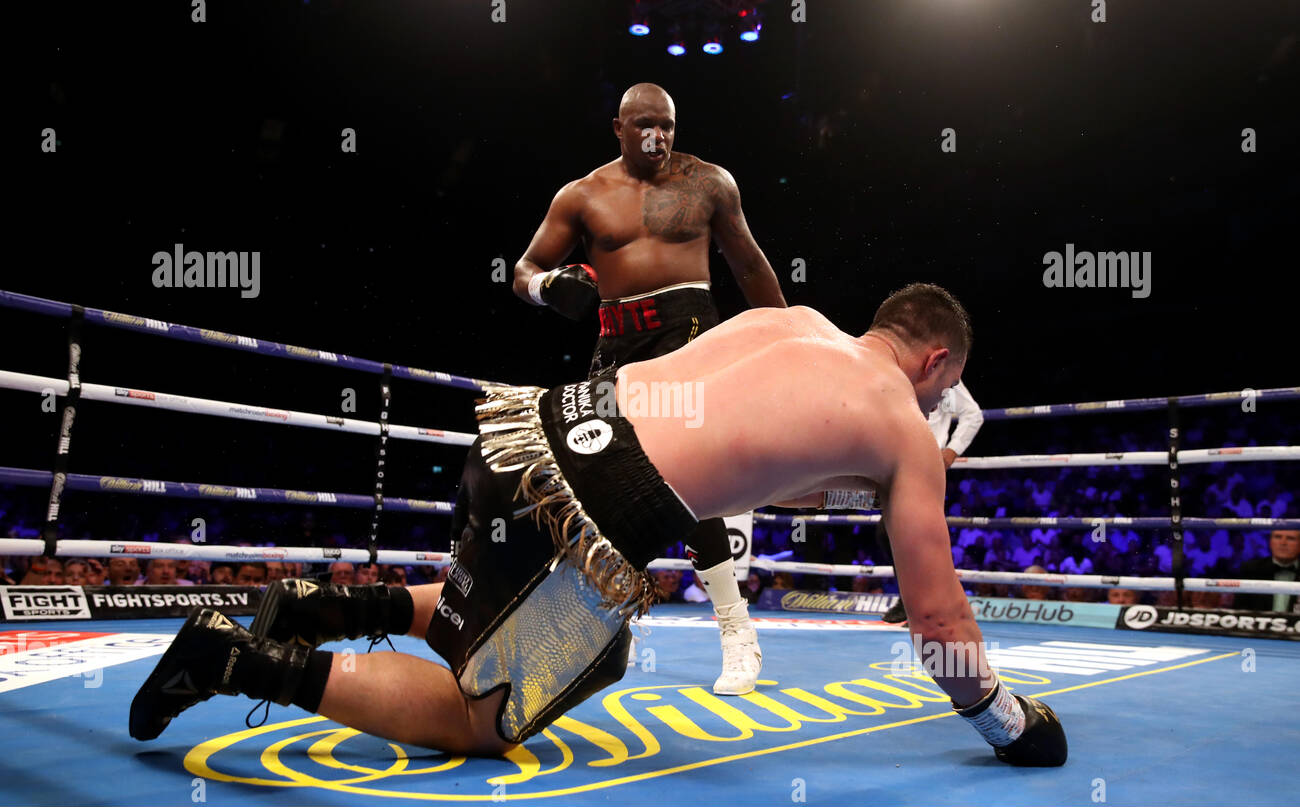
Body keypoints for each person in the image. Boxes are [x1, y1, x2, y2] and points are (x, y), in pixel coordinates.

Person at [132, 284, 1066, 767]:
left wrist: (884, 481)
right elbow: (939, 626)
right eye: (945, 387)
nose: (940, 402)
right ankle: (235, 662)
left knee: (597, 646)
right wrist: (1004, 722)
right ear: (936, 360)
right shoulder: (904, 424)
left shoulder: (801, 322)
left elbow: (767, 463)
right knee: (487, 716)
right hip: (593, 511)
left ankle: (316, 609)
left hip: (531, 435)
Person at [511, 82, 787, 697]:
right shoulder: (581, 196)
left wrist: (788, 337)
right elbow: (522, 271)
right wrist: (550, 287)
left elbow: (748, 263)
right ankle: (584, 630)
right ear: (618, 127)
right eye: (643, 126)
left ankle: (736, 630)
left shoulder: (708, 183)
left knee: (692, 478)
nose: (656, 138)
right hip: (615, 347)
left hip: (690, 337)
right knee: (592, 480)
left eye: (665, 125)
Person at [881, 379, 984, 623]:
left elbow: (973, 414)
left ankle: (925, 604)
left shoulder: (945, 378)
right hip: (896, 464)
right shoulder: (893, 377)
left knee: (915, 534)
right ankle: (914, 601)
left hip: (926, 464)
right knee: (890, 534)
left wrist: (952, 450)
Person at [1233, 528, 1300, 612]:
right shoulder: (1251, 569)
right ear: (1270, 542)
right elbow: (1240, 608)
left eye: (1290, 538)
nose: (1283, 543)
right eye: (1278, 537)